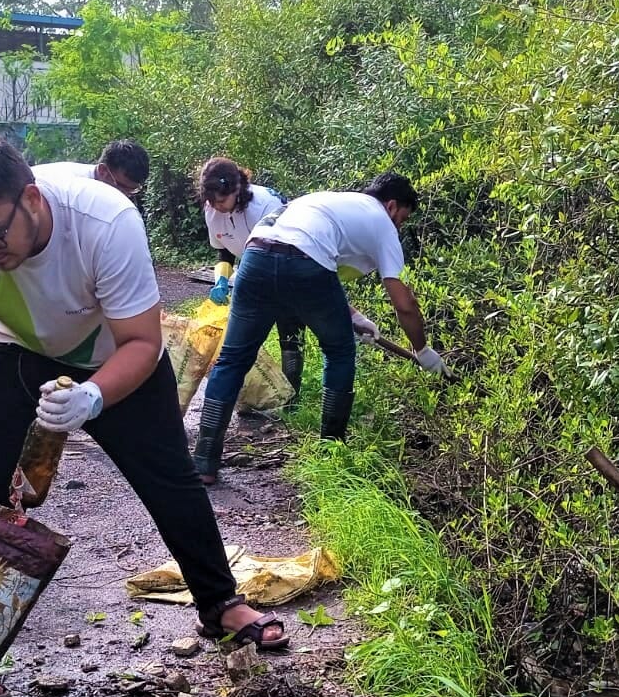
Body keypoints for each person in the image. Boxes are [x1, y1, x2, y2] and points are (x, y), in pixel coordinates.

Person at [0, 132, 289, 697]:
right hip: (14, 346)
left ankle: (220, 603)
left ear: (31, 200)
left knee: (170, 480)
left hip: (112, 354)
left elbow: (140, 340)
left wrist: (93, 398)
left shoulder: (106, 222)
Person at [190, 174, 446, 484]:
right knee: (339, 352)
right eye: (402, 219)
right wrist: (423, 350)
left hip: (255, 256)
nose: (399, 227)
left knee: (232, 359)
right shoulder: (381, 221)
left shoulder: (328, 202)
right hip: (302, 262)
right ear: (392, 206)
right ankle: (331, 453)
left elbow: (320, 272)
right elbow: (403, 303)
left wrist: (353, 316)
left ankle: (204, 462)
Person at [198, 157, 305, 404]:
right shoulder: (212, 210)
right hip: (250, 271)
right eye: (212, 202)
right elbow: (223, 251)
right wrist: (221, 281)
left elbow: (286, 247)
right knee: (241, 338)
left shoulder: (266, 204)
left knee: (290, 330)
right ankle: (249, 396)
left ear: (237, 189)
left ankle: (292, 398)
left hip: (286, 266)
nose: (217, 207)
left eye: (222, 201)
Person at [70, 139, 150, 200]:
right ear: (103, 171)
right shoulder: (73, 192)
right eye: (122, 188)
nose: (125, 196)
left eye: (133, 190)